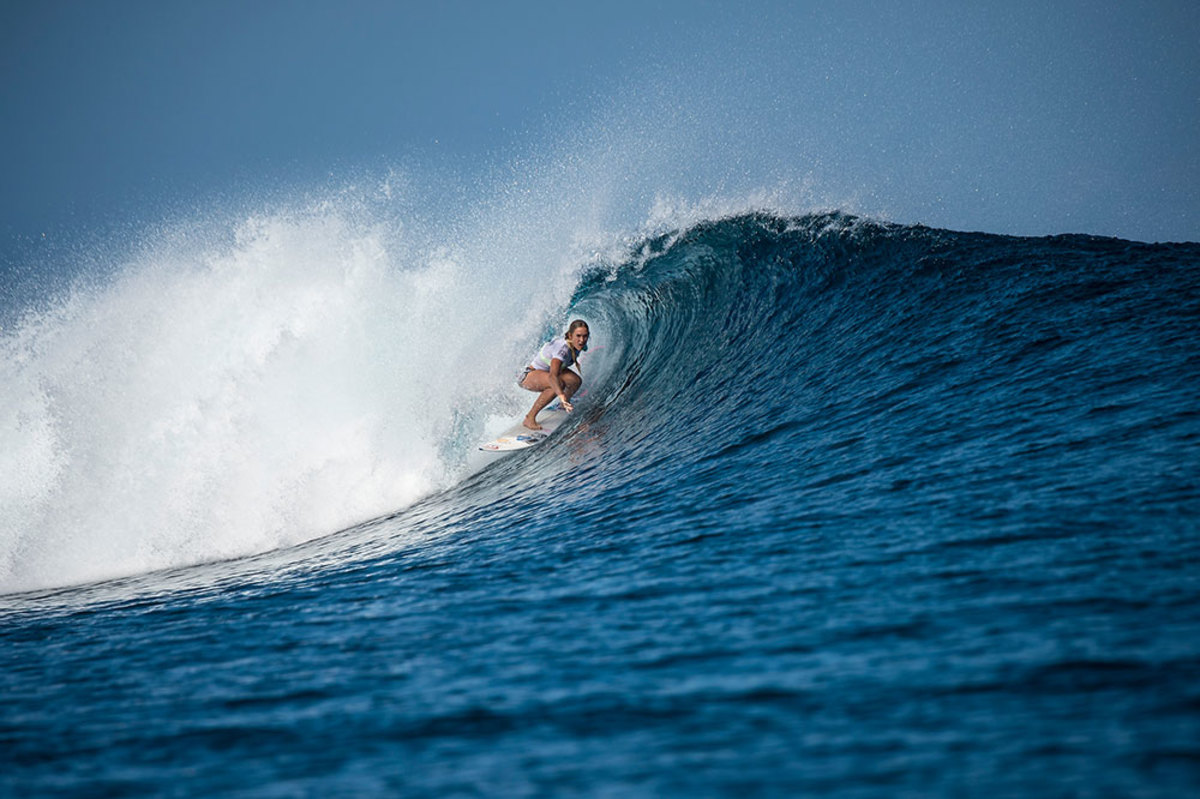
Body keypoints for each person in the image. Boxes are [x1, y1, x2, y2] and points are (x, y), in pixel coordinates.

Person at [518, 320, 590, 430]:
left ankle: (564, 405)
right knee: (555, 385)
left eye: (585, 336)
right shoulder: (563, 350)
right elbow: (552, 377)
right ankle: (529, 418)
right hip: (528, 376)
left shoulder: (577, 344)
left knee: (575, 381)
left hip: (545, 374)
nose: (582, 340)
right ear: (570, 335)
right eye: (578, 336)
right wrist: (561, 395)